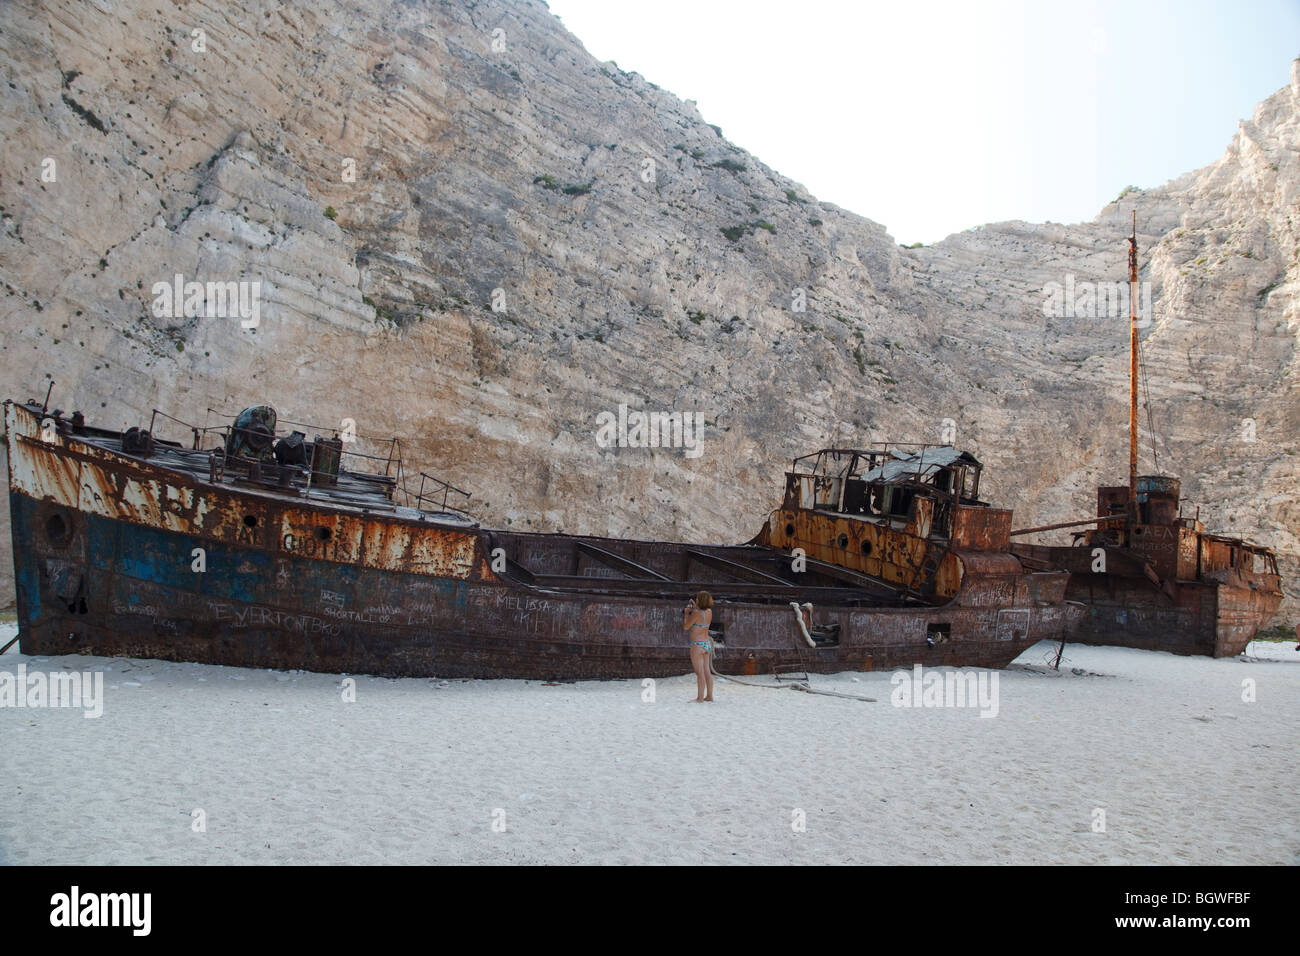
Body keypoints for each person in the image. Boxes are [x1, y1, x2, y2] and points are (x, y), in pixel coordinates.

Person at [683, 591, 715, 702]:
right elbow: (701, 611)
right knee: (707, 671)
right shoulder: (709, 611)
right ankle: (709, 696)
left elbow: (686, 627)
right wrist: (695, 606)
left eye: (697, 598)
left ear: (699, 600)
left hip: (697, 645)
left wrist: (687, 613)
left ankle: (699, 698)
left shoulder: (696, 613)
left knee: (699, 673)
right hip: (706, 644)